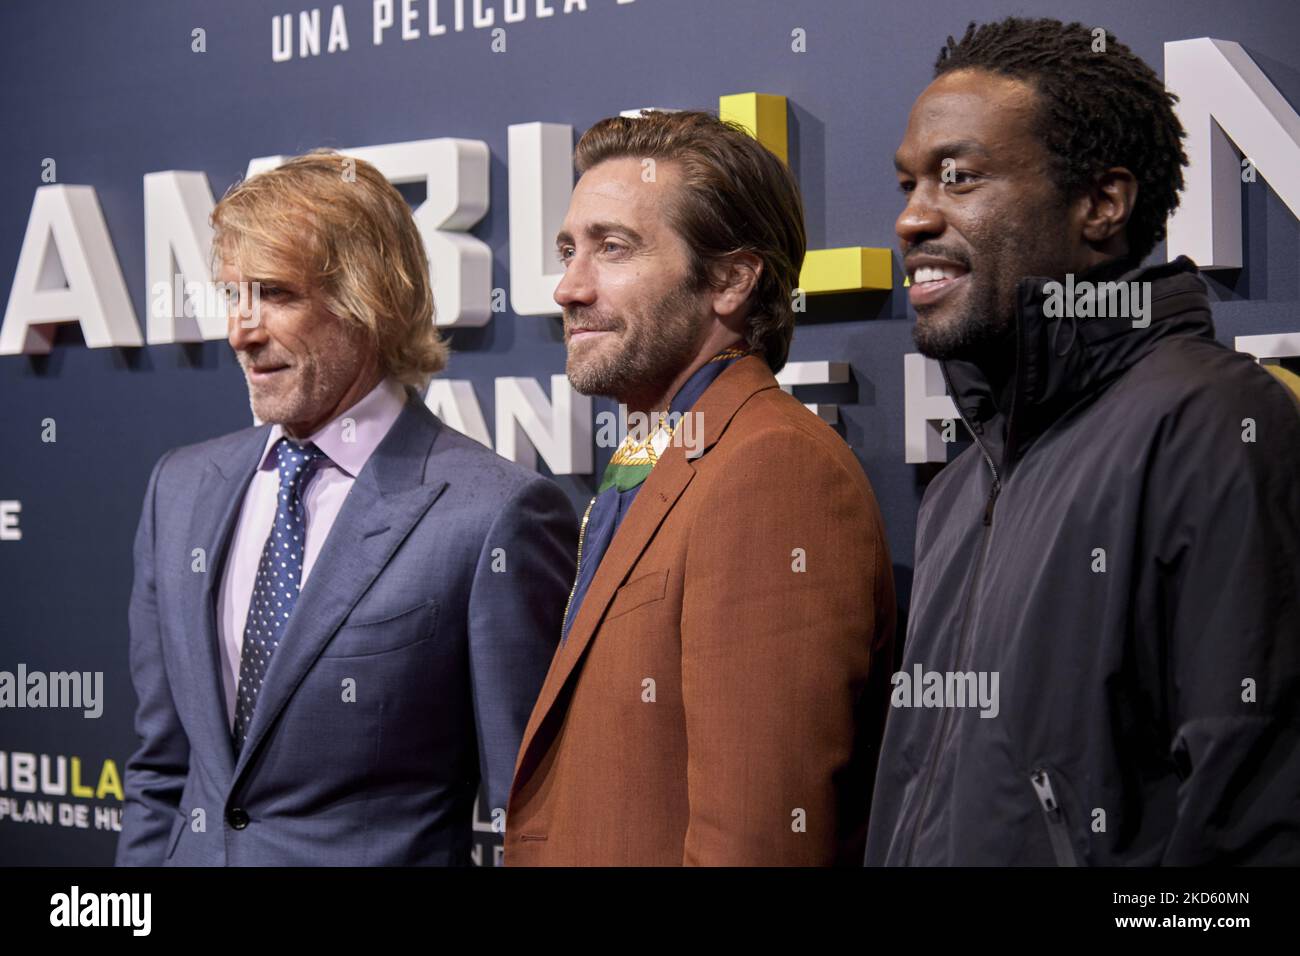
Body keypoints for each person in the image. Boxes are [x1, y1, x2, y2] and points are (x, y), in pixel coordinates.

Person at [869, 17, 1300, 865]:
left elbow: (1253, 832)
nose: (913, 219)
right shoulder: (965, 481)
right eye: (908, 184)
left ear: (1102, 204)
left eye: (958, 178)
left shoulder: (1216, 426)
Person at [116, 150, 577, 866]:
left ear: (371, 301)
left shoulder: (494, 516)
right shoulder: (179, 489)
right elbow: (160, 773)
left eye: (276, 295)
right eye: (233, 295)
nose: (241, 331)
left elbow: (542, 816)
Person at [504, 110, 896, 866]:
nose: (567, 288)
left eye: (612, 248)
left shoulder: (774, 470)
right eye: (568, 249)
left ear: (729, 280)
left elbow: (756, 841)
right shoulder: (662, 452)